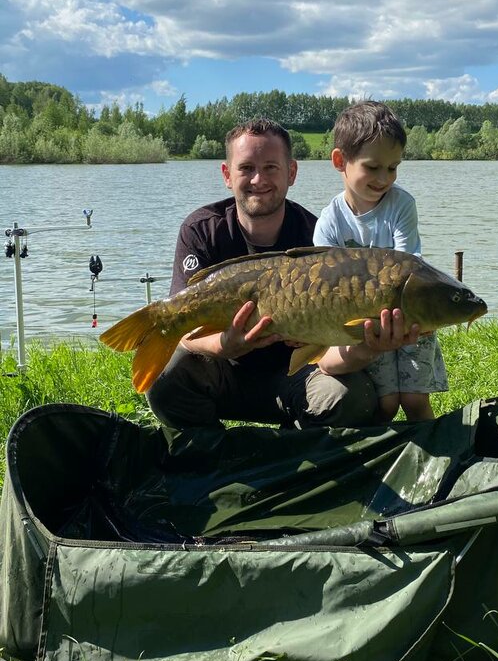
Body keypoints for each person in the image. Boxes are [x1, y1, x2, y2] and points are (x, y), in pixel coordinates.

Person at [147, 117, 418, 454]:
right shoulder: (201, 230)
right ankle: (214, 456)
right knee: (164, 380)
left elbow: (334, 349)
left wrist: (372, 344)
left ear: (291, 172)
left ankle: (288, 457)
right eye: (246, 168)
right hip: (222, 374)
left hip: (297, 375)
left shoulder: (319, 238)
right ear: (227, 174)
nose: (258, 179)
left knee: (352, 397)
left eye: (271, 168)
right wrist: (226, 345)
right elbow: (183, 328)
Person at [313, 100, 447, 425]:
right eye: (373, 167)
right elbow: (326, 287)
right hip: (367, 328)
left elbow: (408, 266)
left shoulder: (402, 205)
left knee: (414, 400)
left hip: (412, 319)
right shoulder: (329, 223)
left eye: (393, 167)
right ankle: (380, 462)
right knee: (385, 403)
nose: (384, 178)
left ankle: (434, 457)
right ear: (340, 161)